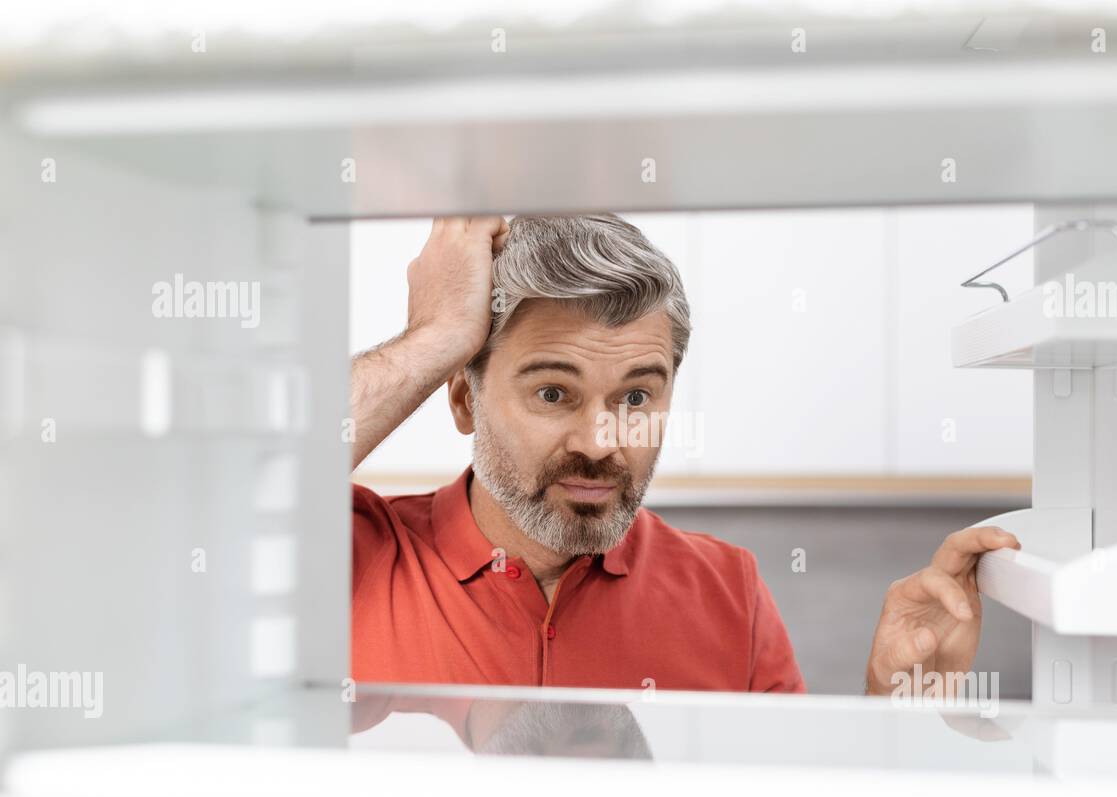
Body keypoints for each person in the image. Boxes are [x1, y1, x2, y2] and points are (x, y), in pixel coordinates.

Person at [349, 214, 1019, 695]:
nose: (602, 442)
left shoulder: (730, 592)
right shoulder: (349, 556)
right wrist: (437, 334)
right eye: (554, 393)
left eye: (637, 397)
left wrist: (894, 714)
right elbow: (255, 467)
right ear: (464, 400)